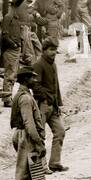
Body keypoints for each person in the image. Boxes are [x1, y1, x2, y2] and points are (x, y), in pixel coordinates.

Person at [11, 66, 46, 180]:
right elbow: (29, 124)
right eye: (32, 77)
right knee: (23, 172)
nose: (35, 80)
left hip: (23, 135)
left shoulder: (24, 94)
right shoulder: (25, 98)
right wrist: (38, 143)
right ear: (26, 79)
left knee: (28, 171)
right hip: (26, 136)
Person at [32, 38, 68, 172]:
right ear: (44, 50)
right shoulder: (39, 64)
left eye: (55, 50)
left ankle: (55, 163)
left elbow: (56, 86)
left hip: (53, 106)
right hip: (42, 105)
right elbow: (35, 86)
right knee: (40, 136)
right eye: (51, 50)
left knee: (60, 131)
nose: (53, 53)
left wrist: (58, 104)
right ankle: (41, 167)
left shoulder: (53, 64)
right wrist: (46, 97)